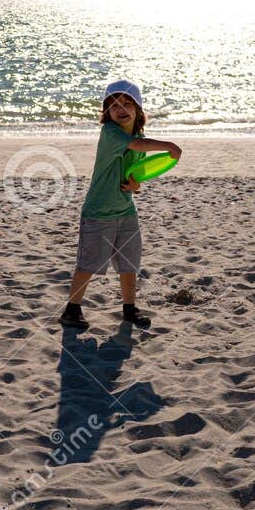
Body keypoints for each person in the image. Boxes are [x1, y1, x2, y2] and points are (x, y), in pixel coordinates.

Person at [59, 79, 181, 331]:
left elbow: (135, 174)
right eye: (113, 105)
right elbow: (138, 146)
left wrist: (134, 186)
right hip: (99, 211)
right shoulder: (111, 133)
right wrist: (169, 146)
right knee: (89, 264)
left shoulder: (139, 135)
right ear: (107, 112)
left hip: (125, 209)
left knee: (129, 263)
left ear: (138, 109)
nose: (120, 109)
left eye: (127, 104)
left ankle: (129, 309)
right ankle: (72, 310)